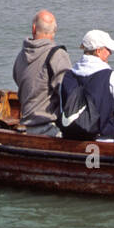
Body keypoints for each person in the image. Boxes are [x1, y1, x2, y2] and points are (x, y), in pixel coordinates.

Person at [59, 30, 114, 142]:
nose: (110, 53)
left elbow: (62, 109)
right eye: (108, 49)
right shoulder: (111, 77)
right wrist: (111, 128)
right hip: (103, 140)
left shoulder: (67, 76)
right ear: (98, 51)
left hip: (71, 139)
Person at [12, 9, 71, 137]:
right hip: (51, 128)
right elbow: (67, 92)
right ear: (54, 31)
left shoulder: (21, 56)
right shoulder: (58, 55)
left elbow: (19, 81)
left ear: (34, 29)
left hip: (27, 127)